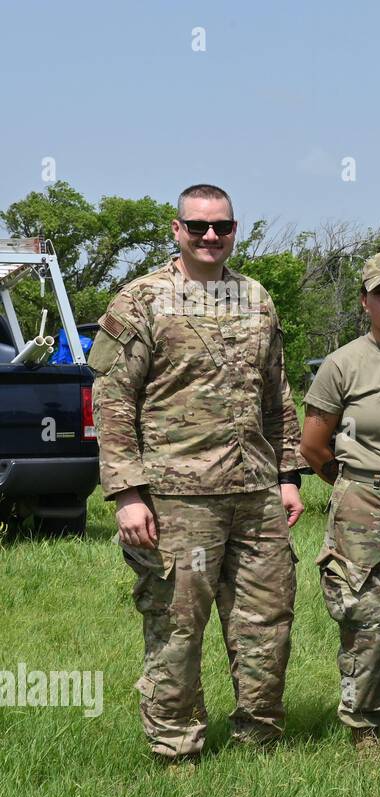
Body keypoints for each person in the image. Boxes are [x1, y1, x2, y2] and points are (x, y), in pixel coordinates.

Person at [88, 183, 304, 763]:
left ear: (235, 230)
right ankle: (175, 745)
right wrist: (128, 493)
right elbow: (111, 401)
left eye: (223, 226)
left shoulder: (256, 297)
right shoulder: (141, 301)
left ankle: (259, 737)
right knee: (178, 626)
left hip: (255, 491)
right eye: (199, 226)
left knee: (266, 620)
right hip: (176, 497)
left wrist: (288, 475)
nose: (211, 236)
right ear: (177, 230)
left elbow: (276, 395)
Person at [299, 250, 380, 753]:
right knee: (364, 623)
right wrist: (354, 483)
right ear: (365, 301)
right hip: (365, 505)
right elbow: (313, 444)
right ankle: (367, 732)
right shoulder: (343, 363)